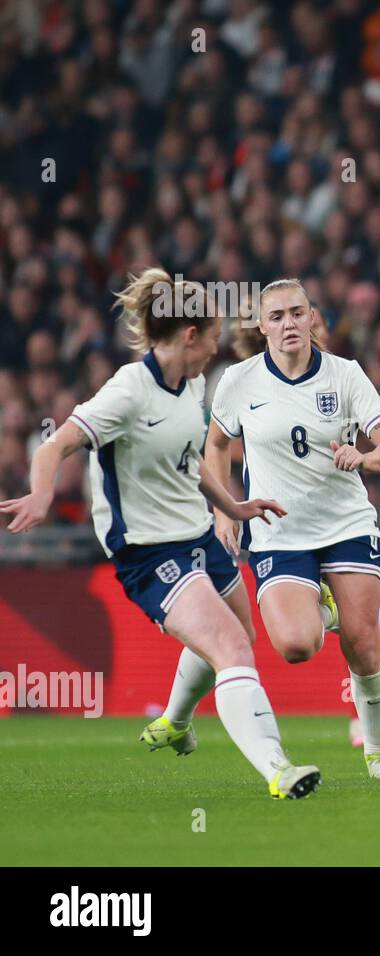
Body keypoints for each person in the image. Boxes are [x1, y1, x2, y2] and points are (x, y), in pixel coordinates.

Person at [0, 268, 320, 799]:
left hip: (197, 535)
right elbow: (54, 446)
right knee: (233, 650)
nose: (218, 348)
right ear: (189, 336)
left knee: (242, 635)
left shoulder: (190, 383)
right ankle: (277, 770)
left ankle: (173, 721)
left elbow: (190, 462)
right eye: (213, 337)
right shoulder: (128, 392)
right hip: (149, 554)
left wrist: (233, 507)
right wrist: (42, 493)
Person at [204, 278, 380, 779]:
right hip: (278, 528)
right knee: (297, 646)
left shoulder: (345, 376)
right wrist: (225, 509)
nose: (289, 324)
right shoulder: (239, 380)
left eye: (298, 313)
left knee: (363, 648)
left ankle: (378, 754)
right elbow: (214, 446)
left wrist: (363, 455)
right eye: (277, 316)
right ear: (261, 326)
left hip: (345, 523)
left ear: (313, 317)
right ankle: (327, 610)